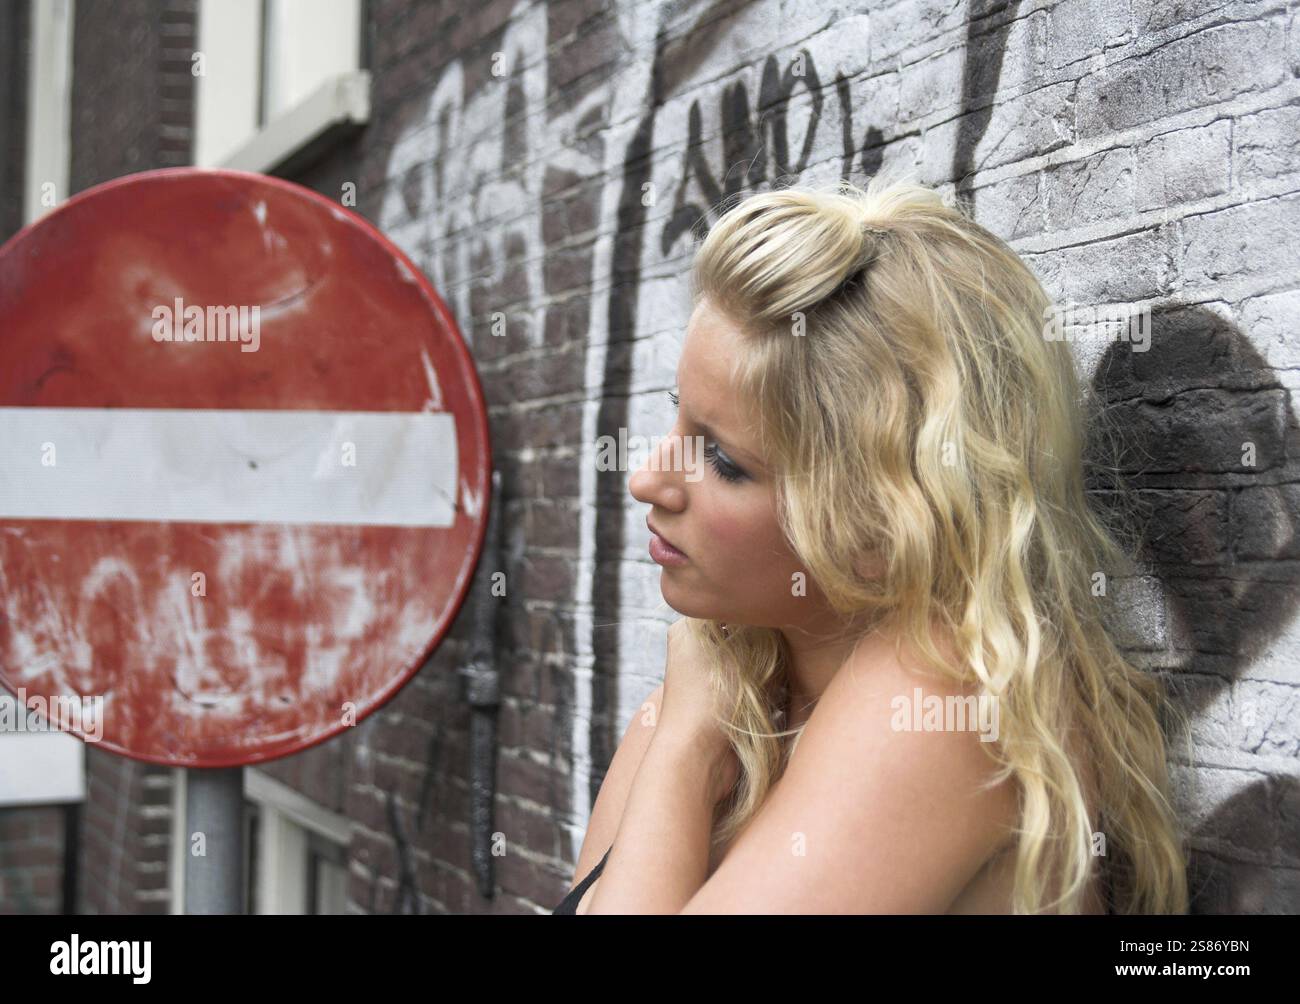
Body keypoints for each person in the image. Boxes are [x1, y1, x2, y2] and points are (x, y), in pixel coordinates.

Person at [556, 175, 1189, 915]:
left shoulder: (942, 697)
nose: (646, 480)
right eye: (677, 420)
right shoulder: (725, 677)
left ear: (881, 522)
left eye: (724, 460)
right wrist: (688, 731)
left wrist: (687, 756)